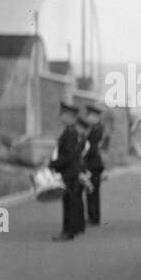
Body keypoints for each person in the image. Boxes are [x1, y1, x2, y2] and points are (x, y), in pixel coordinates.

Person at [50, 101, 89, 241]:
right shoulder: (70, 131)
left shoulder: (70, 133)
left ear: (68, 116)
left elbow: (69, 156)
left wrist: (52, 164)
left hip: (69, 172)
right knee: (70, 201)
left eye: (63, 114)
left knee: (69, 203)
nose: (61, 117)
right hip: (71, 171)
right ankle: (70, 230)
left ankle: (68, 232)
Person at [81, 104, 107, 225]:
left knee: (92, 192)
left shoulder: (96, 130)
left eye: (90, 115)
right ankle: (93, 216)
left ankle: (94, 218)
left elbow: (91, 148)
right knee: (92, 192)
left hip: (93, 164)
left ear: (95, 116)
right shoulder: (94, 128)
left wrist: (82, 157)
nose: (88, 118)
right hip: (94, 164)